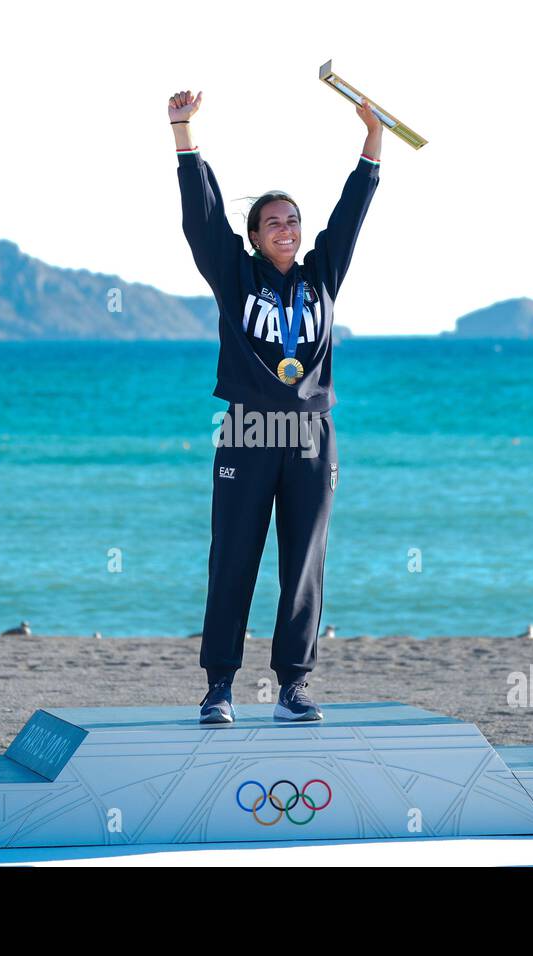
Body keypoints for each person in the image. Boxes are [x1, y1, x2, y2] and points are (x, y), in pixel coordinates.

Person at [169, 88, 382, 723]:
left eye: (293, 220)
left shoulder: (323, 274)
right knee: (233, 555)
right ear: (257, 237)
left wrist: (372, 137)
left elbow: (352, 210)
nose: (286, 230)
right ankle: (219, 686)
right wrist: (185, 135)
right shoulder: (235, 277)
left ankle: (294, 682)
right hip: (248, 429)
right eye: (273, 223)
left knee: (305, 562)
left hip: (314, 434)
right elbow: (200, 218)